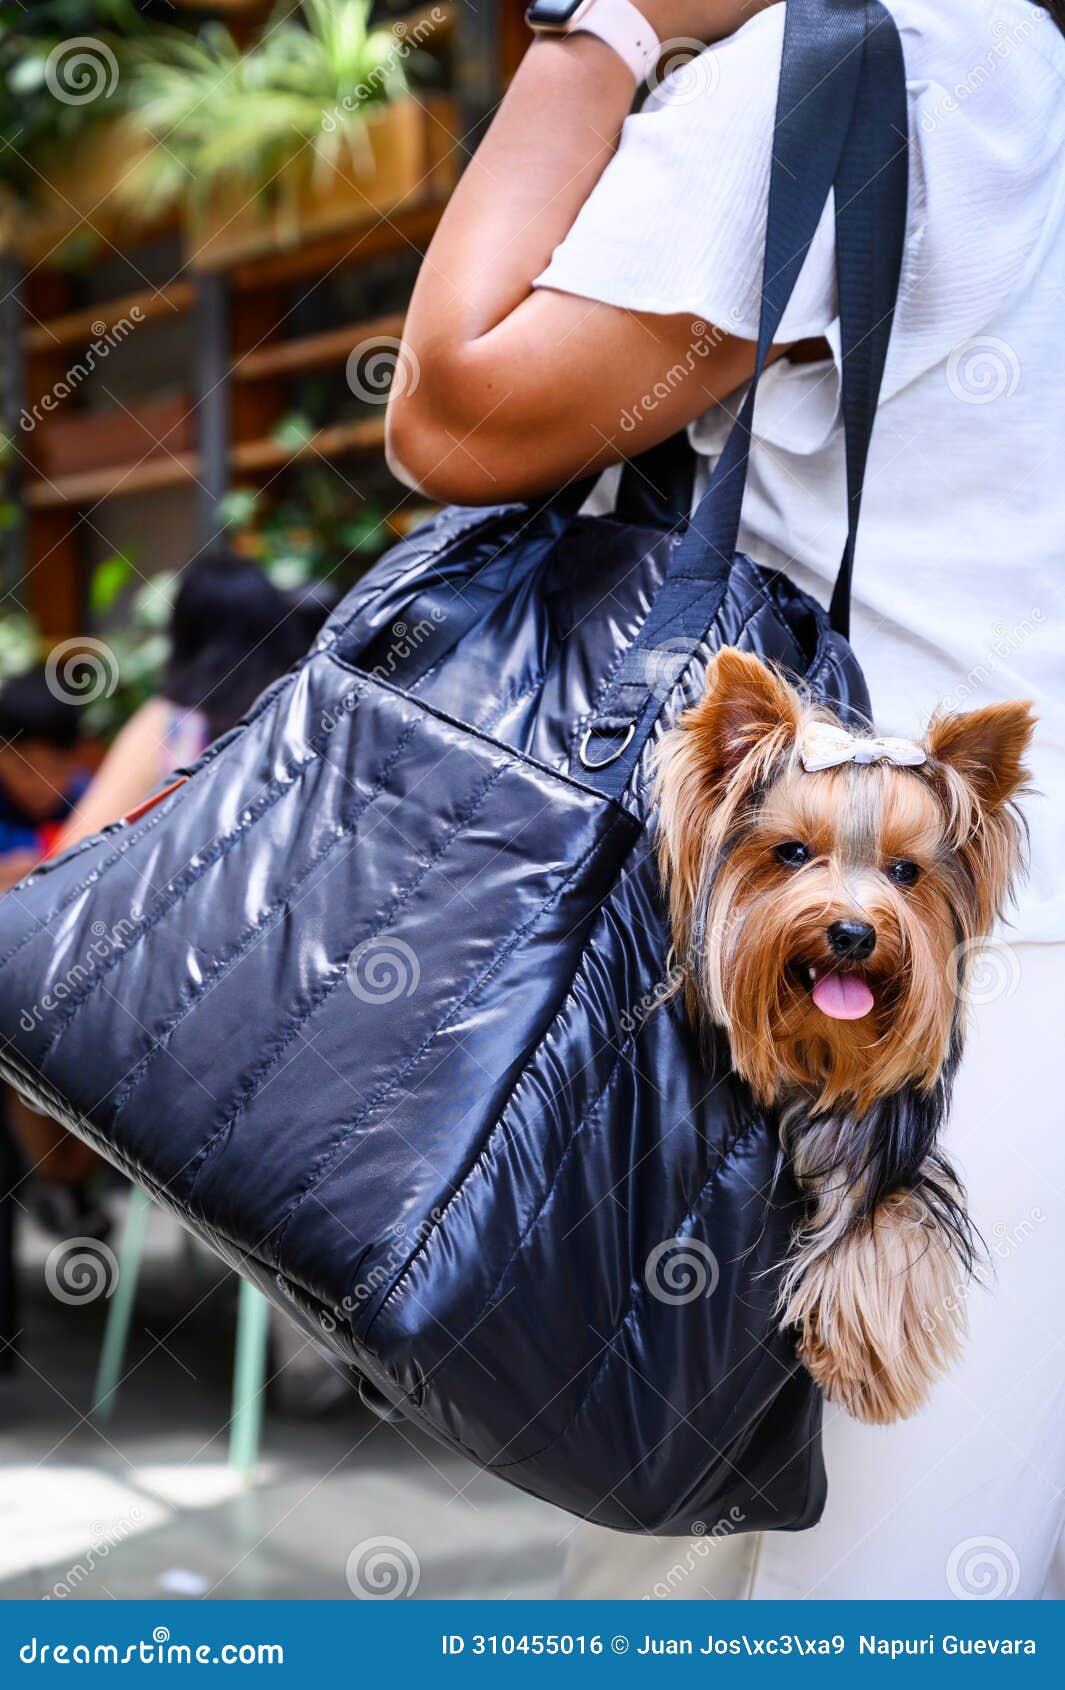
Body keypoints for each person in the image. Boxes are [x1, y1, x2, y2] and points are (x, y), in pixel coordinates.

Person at [386, 0, 1065, 1600]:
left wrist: (603, 30)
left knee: (780, 1596)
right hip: (970, 944)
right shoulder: (1025, 65)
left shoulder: (847, 72)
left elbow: (452, 410)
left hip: (891, 991)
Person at [0, 667, 86, 892]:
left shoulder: (92, 802)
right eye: (24, 768)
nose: (41, 783)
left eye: (57, 767)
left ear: (77, 758)